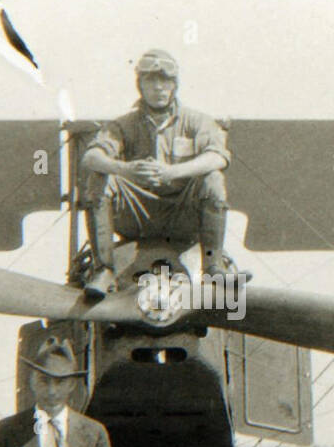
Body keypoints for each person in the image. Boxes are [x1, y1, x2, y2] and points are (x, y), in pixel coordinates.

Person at [79, 48, 235, 299]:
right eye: (151, 80)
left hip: (182, 212)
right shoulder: (123, 124)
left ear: (175, 85)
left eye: (165, 81)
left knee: (213, 179)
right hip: (137, 213)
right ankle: (104, 268)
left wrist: (171, 172)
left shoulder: (197, 121)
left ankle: (213, 266)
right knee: (100, 177)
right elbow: (91, 157)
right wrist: (126, 169)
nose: (159, 87)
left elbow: (217, 156)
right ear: (140, 85)